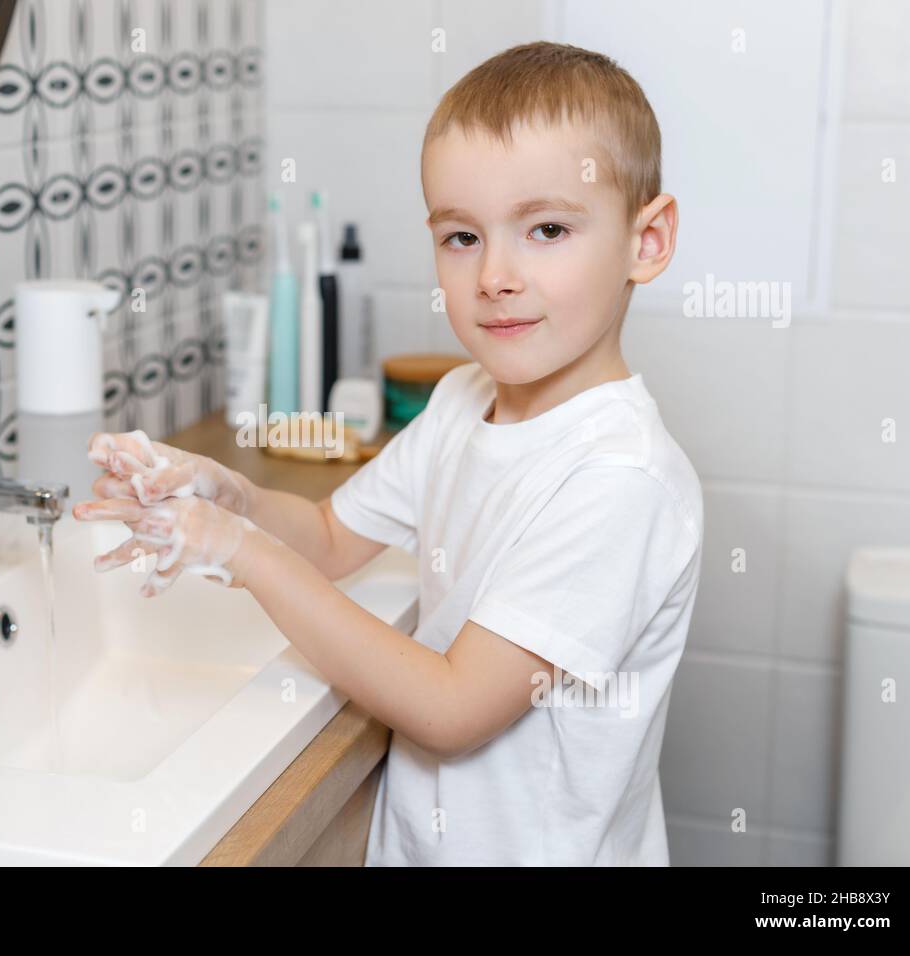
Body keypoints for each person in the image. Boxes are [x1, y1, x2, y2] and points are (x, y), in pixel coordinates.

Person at [73, 40, 703, 866]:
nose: (496, 275)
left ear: (646, 241)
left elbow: (452, 707)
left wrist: (240, 553)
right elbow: (333, 537)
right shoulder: (462, 402)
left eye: (547, 228)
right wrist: (231, 498)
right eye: (462, 236)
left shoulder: (620, 481)